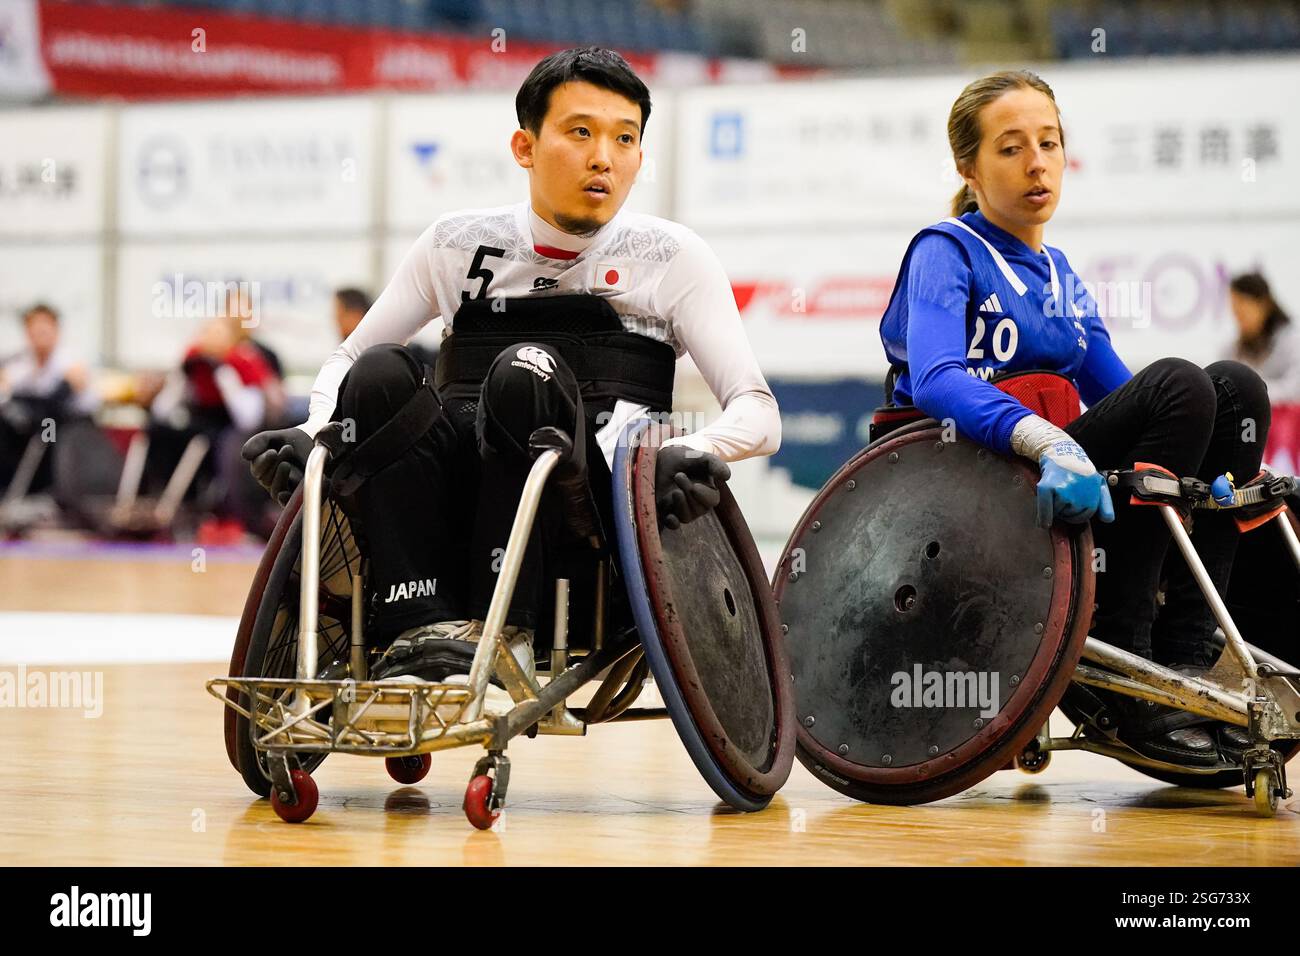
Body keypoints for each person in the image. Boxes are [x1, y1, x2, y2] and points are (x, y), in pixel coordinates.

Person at [241, 47, 781, 688]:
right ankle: (417, 626)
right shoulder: (453, 243)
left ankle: (510, 634)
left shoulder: (671, 257)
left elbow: (758, 410)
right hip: (447, 492)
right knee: (383, 371)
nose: (603, 157)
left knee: (523, 372)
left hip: (585, 517)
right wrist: (316, 432)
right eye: (580, 132)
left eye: (625, 139)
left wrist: (683, 452)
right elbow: (348, 356)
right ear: (525, 147)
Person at [878, 69, 1272, 767]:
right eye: (1010, 148)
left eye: (1049, 143)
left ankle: (1188, 647)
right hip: (968, 485)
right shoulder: (945, 251)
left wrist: (1215, 459)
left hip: (1047, 476)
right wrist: (1047, 440)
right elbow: (936, 378)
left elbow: (1133, 394)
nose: (1037, 162)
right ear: (968, 167)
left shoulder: (1059, 274)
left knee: (1233, 388)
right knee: (1183, 381)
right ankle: (1127, 645)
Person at [0, 303, 99, 494]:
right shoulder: (23, 363)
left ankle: (50, 488)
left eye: (44, 329)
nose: (39, 335)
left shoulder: (70, 361)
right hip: (39, 422)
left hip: (72, 425)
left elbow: (58, 402)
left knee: (47, 429)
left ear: (56, 330)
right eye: (34, 330)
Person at [1228, 272, 1300, 474]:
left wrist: (1253, 393)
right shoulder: (1236, 348)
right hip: (1253, 425)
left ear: (1263, 304)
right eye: (1235, 312)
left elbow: (1295, 388)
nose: (1238, 318)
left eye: (1242, 310)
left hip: (1289, 430)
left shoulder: (1292, 339)